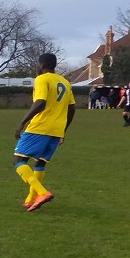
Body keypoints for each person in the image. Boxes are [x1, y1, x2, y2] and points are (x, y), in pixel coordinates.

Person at [13, 53, 76, 212]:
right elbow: (72, 108)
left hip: (40, 127)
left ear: (41, 65)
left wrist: (22, 122)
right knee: (40, 163)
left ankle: (42, 193)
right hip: (56, 130)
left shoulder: (42, 79)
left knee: (18, 160)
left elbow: (40, 102)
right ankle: (30, 200)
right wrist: (63, 131)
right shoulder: (65, 82)